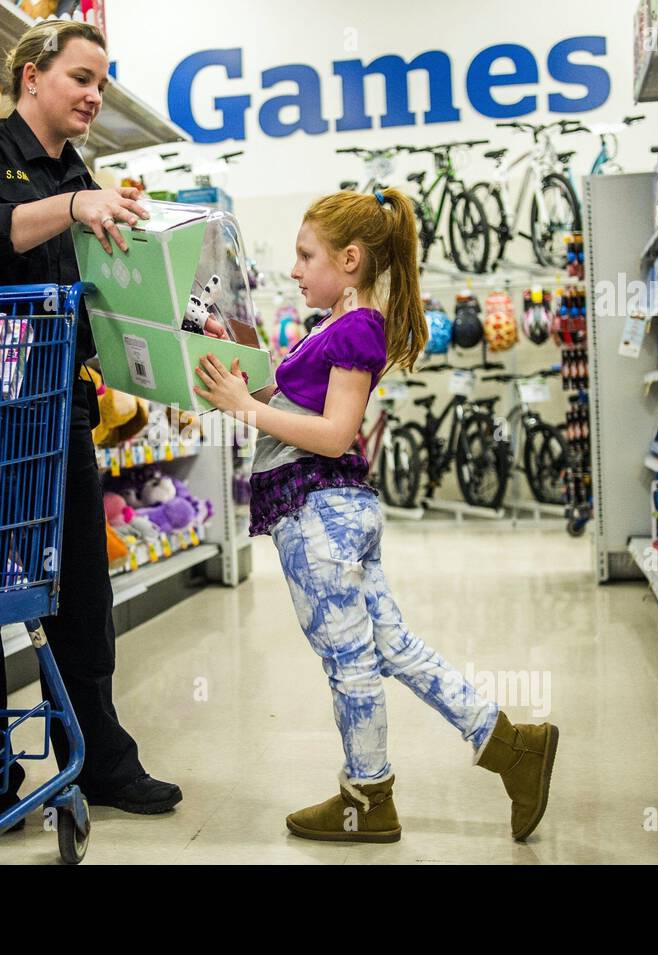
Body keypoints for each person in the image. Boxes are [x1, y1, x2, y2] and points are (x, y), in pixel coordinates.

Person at [192, 188, 560, 843]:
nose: (296, 269)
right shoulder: (336, 326)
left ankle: (368, 797)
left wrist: (243, 407)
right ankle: (512, 746)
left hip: (320, 515)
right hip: (337, 514)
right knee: (392, 645)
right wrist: (237, 367)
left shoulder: (357, 327)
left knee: (350, 660)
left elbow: (335, 432)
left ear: (352, 259)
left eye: (307, 255)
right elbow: (288, 396)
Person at [0, 19, 180, 818]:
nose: (95, 95)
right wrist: (73, 205)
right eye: (81, 78)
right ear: (31, 75)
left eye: (102, 82)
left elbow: (93, 305)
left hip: (55, 408)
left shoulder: (81, 177)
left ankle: (96, 759)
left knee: (82, 592)